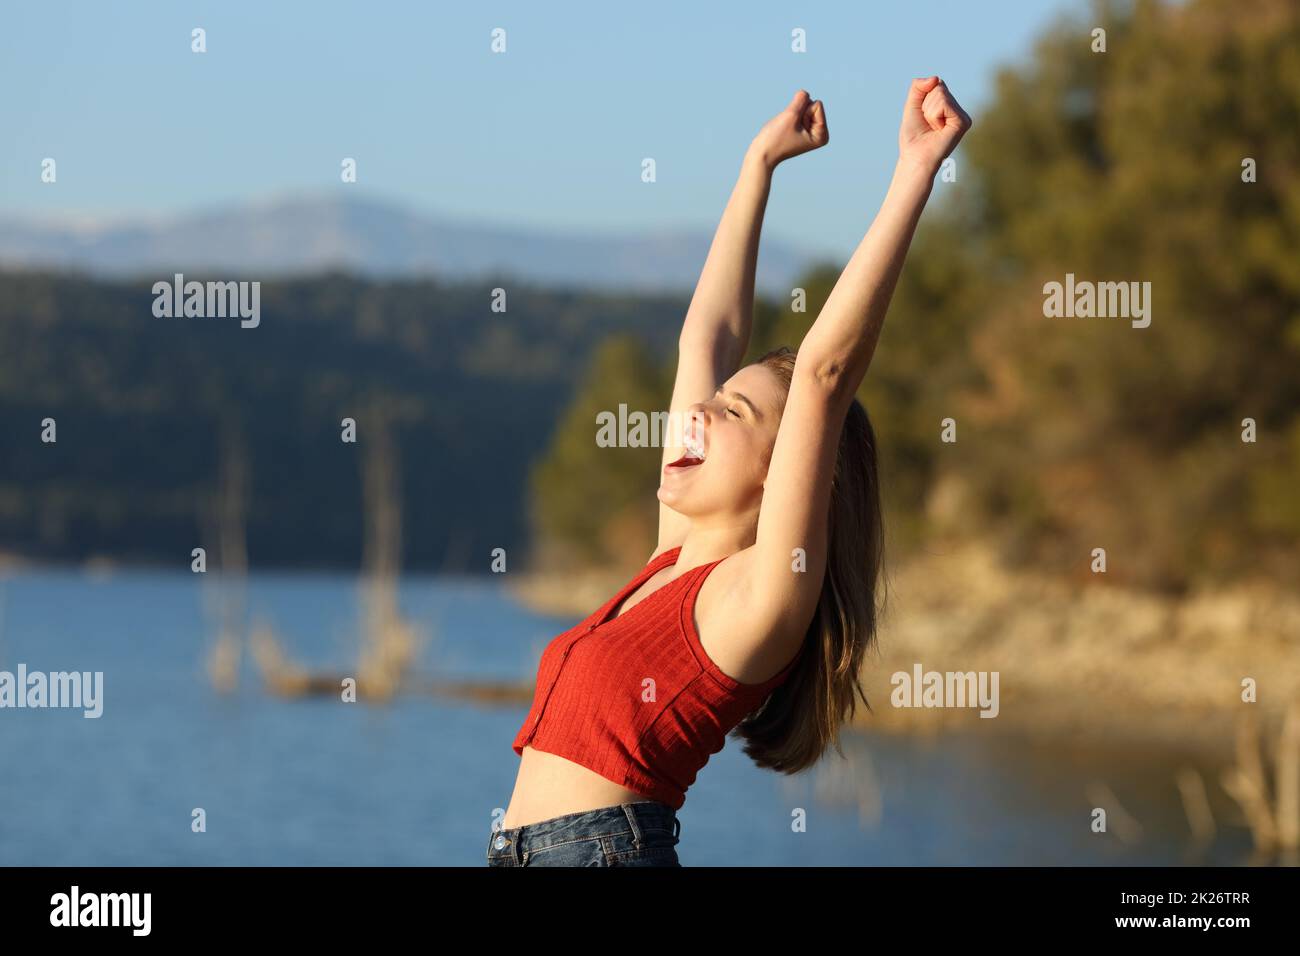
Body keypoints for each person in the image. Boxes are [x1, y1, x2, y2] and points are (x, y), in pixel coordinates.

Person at [488, 78, 971, 866]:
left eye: (736, 413)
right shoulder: (673, 558)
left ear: (786, 473)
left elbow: (823, 374)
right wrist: (759, 167)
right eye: (714, 402)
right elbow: (705, 338)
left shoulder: (759, 597)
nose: (699, 413)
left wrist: (915, 171)